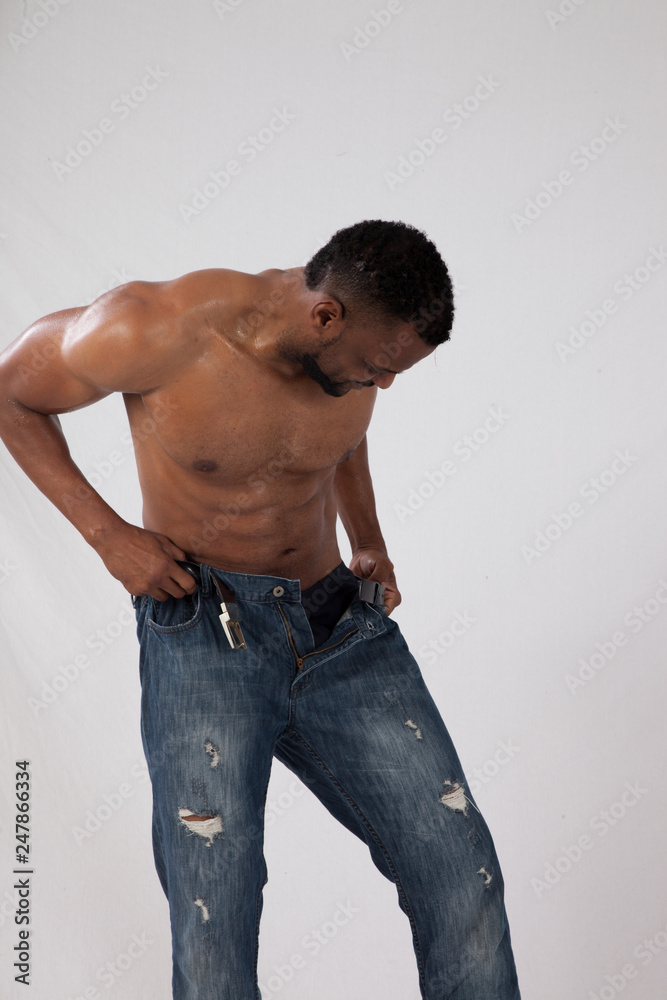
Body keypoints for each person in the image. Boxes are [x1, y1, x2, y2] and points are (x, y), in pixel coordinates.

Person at [0, 219, 521, 999]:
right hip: (207, 634)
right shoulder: (157, 326)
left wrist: (368, 540)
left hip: (341, 630)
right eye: (379, 367)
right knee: (217, 914)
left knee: (459, 871)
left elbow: (341, 440)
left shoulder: (345, 367)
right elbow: (12, 393)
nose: (383, 387)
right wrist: (108, 536)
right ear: (324, 316)